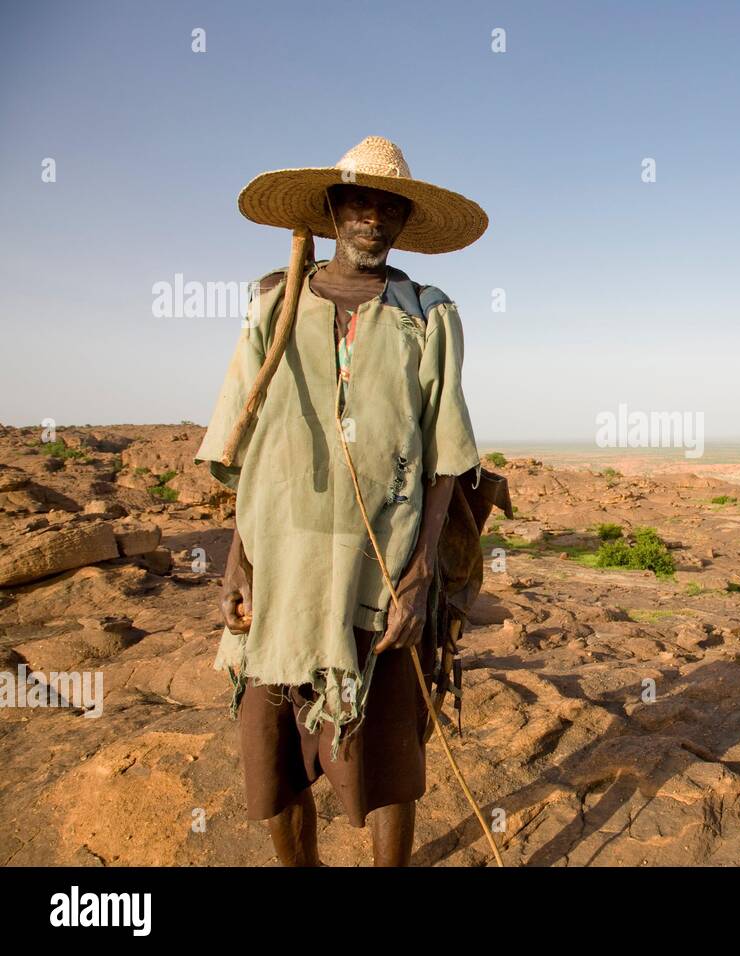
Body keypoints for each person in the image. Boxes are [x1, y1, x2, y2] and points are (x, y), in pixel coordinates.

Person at [194, 136, 489, 865]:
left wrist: (420, 578)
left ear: (403, 220)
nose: (373, 217)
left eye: (389, 205)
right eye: (359, 199)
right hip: (281, 565)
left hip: (381, 568)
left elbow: (445, 457)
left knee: (387, 760)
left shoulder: (426, 315)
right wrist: (240, 560)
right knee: (276, 761)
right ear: (330, 209)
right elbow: (249, 442)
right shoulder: (276, 300)